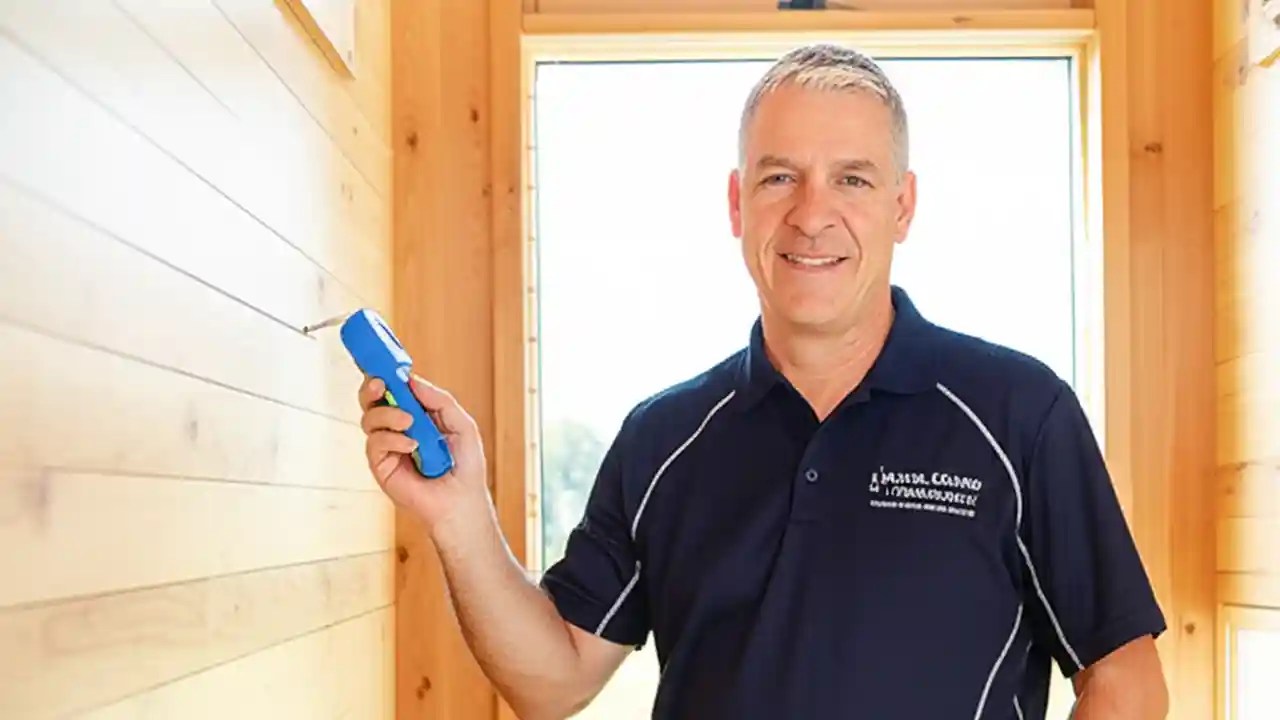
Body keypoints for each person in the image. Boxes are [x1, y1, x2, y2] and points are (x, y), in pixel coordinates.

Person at [358, 44, 1169, 719]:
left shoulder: (1020, 415)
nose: (812, 214)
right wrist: (461, 517)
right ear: (739, 203)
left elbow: (1125, 675)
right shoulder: (662, 439)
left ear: (903, 206)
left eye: (852, 178)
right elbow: (554, 678)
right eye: (781, 177)